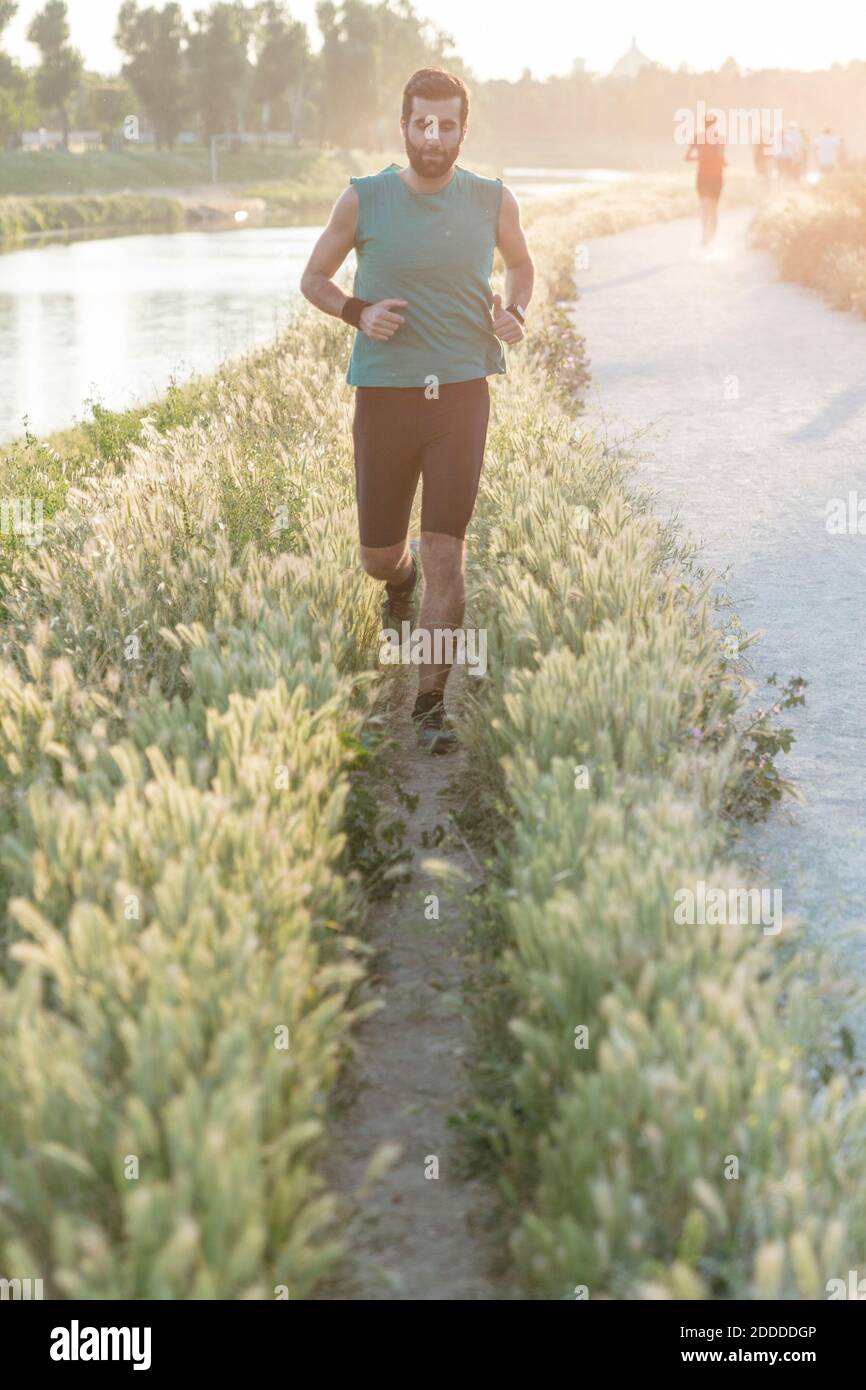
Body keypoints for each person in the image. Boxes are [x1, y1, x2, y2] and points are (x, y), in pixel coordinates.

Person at [300, 68, 534, 752]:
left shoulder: (493, 199)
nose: (435, 137)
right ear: (403, 126)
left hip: (461, 395)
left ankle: (430, 707)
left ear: (464, 128)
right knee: (381, 556)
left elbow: (521, 264)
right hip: (385, 396)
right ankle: (394, 582)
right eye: (423, 124)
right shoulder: (363, 198)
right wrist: (357, 310)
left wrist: (514, 310)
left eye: (449, 125)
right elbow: (313, 279)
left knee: (446, 553)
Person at [685, 112, 726, 246]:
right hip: (716, 176)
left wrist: (700, 158)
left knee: (704, 207)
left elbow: (686, 157)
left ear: (704, 124)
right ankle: (712, 239)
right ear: (715, 125)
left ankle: (705, 235)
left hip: (702, 175)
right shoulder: (720, 138)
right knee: (713, 208)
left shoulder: (697, 137)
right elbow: (721, 157)